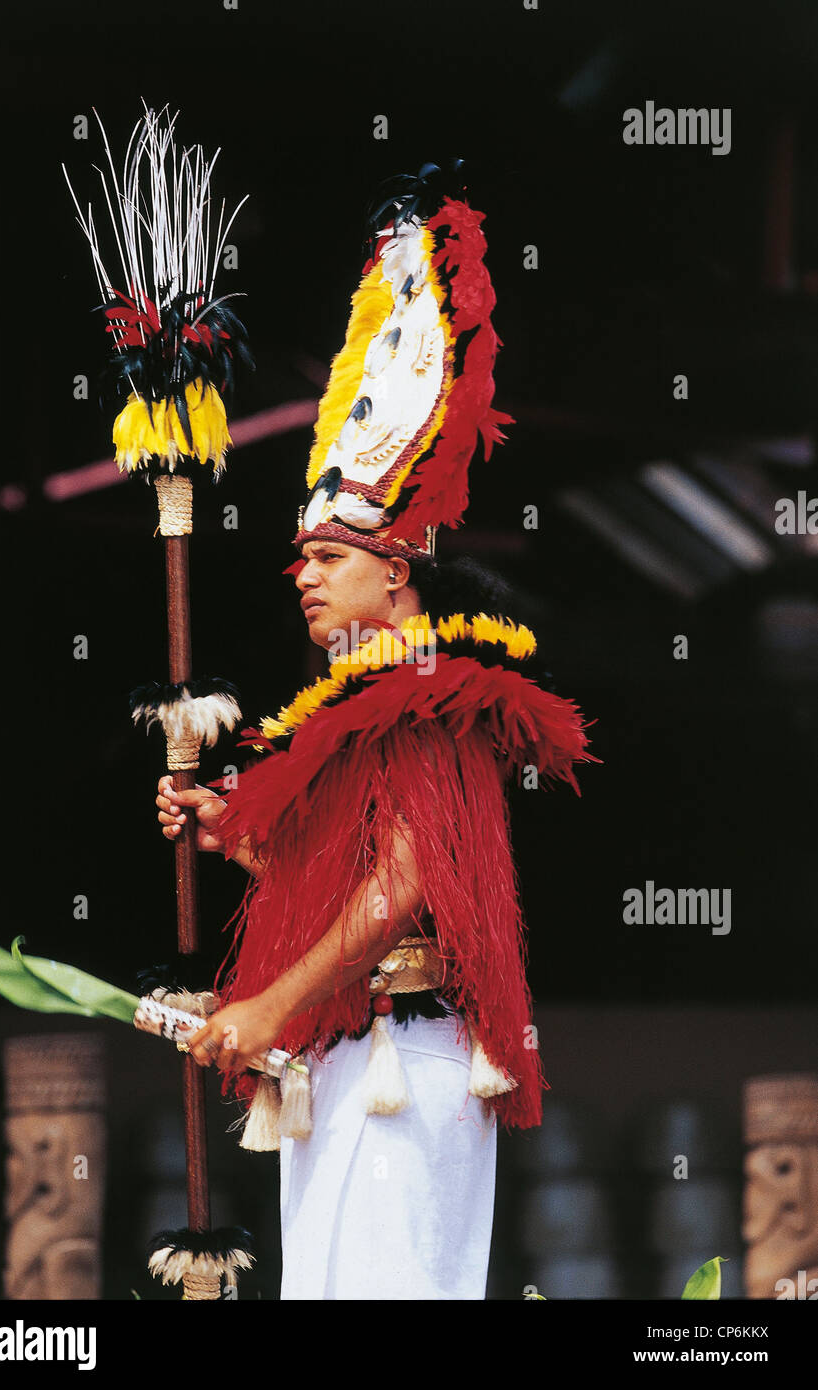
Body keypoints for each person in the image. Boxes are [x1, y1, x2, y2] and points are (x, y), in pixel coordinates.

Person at [155, 163, 598, 1299]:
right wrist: (231, 836)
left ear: (398, 574)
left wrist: (266, 1004)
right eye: (303, 556)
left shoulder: (431, 690)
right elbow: (347, 871)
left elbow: (400, 884)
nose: (303, 576)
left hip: (408, 1055)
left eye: (330, 557)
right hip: (351, 1057)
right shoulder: (357, 706)